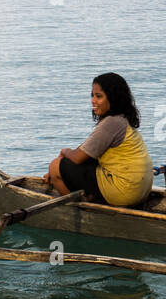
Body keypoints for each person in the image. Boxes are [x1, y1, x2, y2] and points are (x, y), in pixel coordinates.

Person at [47, 73, 154, 206]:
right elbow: (87, 151)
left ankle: (80, 208)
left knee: (55, 166)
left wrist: (64, 152)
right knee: (87, 161)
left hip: (125, 192)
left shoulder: (111, 122)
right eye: (92, 95)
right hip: (141, 190)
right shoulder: (123, 119)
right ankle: (92, 195)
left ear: (113, 98)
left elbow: (77, 157)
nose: (93, 100)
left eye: (99, 96)